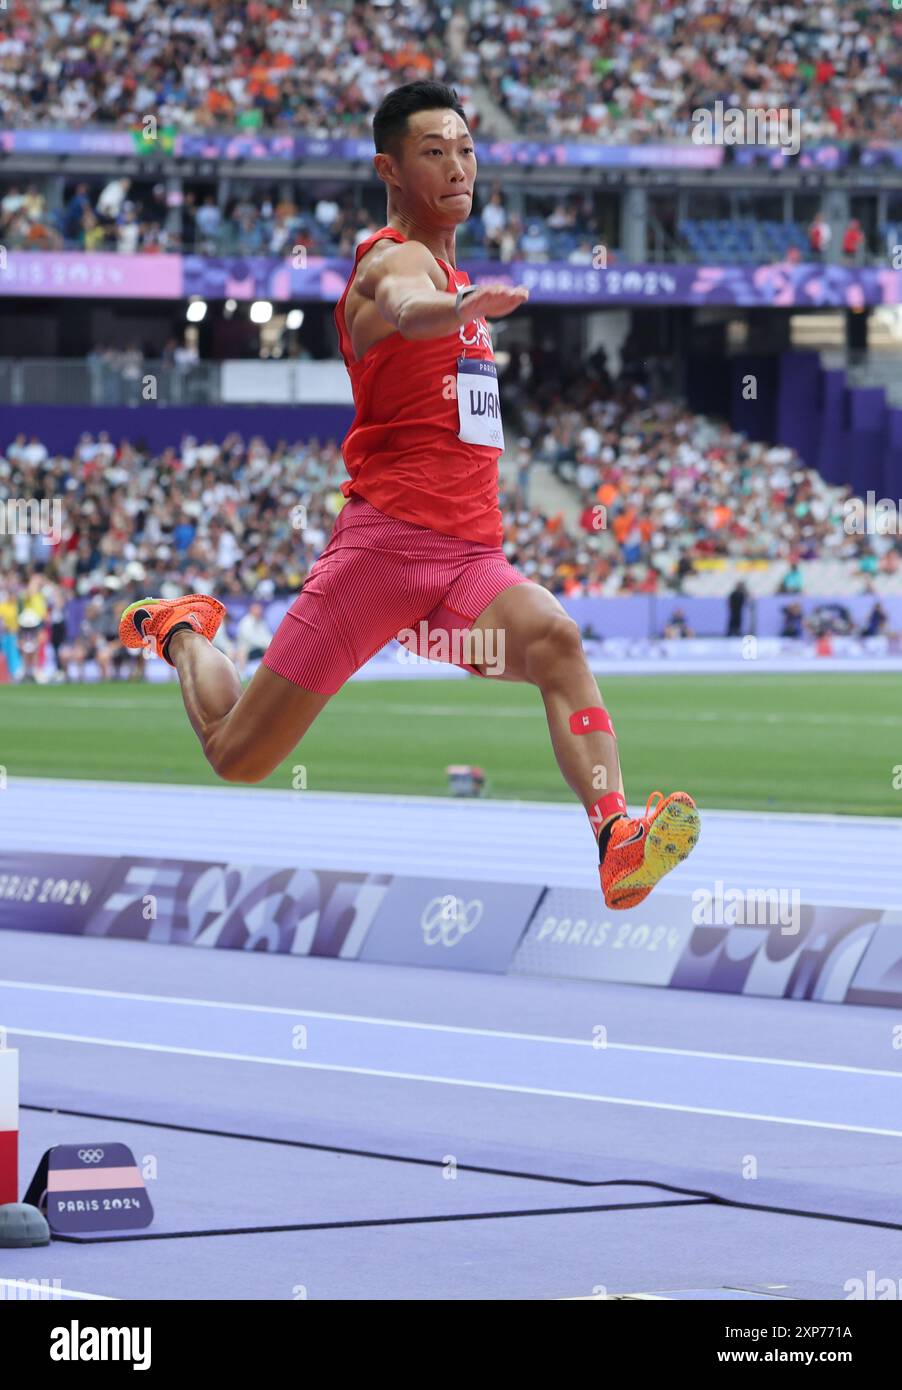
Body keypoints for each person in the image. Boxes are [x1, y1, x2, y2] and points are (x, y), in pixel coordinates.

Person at [119, 80, 699, 910]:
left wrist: (463, 300)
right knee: (239, 757)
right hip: (382, 559)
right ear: (389, 168)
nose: (459, 166)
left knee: (557, 642)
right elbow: (408, 305)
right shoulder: (388, 261)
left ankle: (616, 836)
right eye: (435, 152)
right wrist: (457, 302)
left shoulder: (455, 278)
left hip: (468, 569)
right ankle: (181, 632)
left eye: (466, 150)